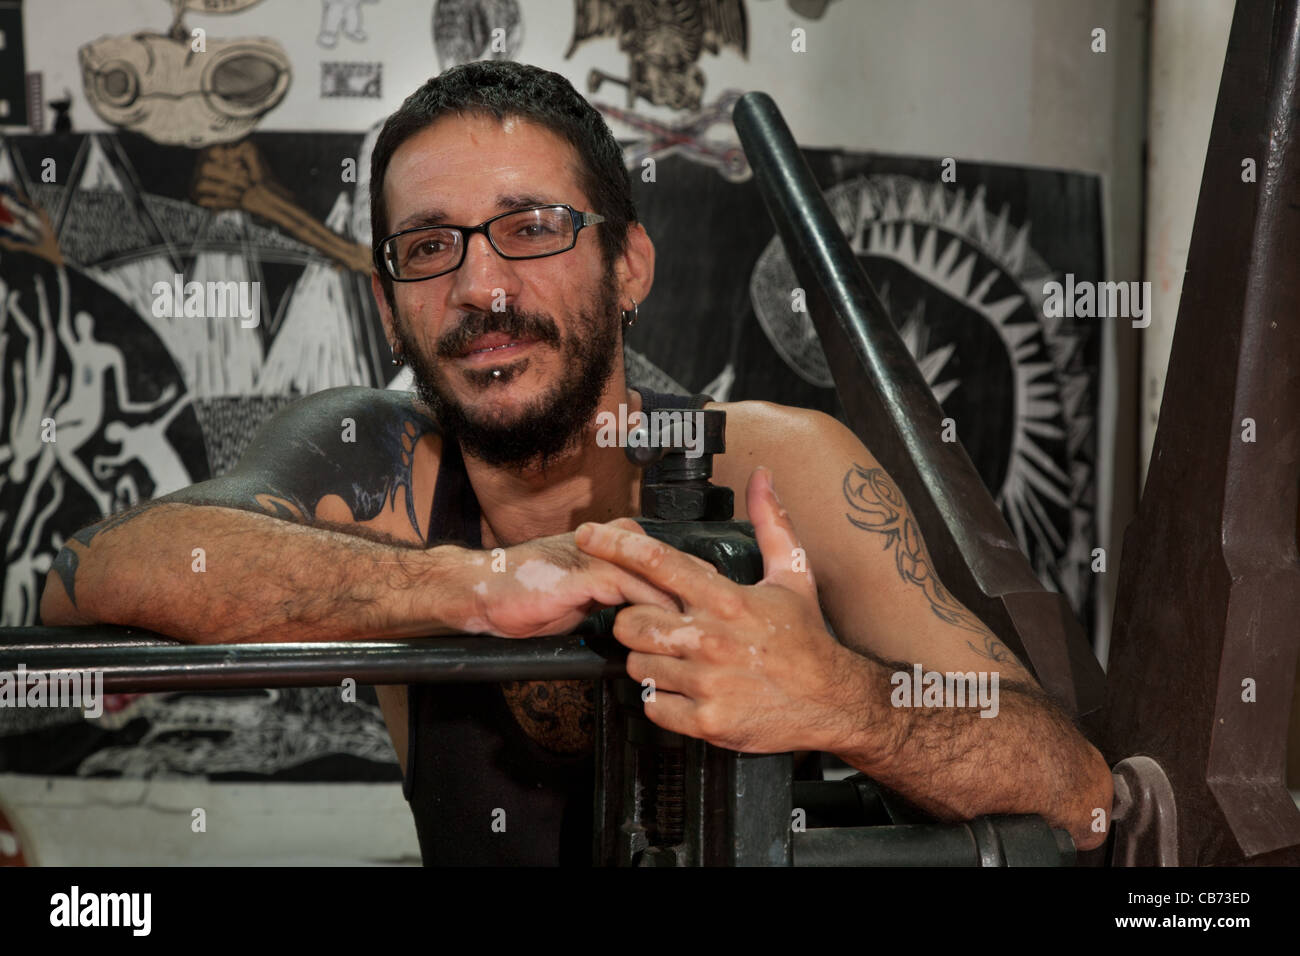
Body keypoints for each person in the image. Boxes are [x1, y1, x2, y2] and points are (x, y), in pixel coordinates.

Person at [40, 60, 1112, 865]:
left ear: (629, 263)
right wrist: (479, 584)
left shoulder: (777, 462)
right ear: (390, 304)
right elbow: (87, 576)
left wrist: (842, 700)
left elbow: (1075, 786)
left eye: (532, 228)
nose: (481, 286)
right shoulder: (380, 460)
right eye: (429, 246)